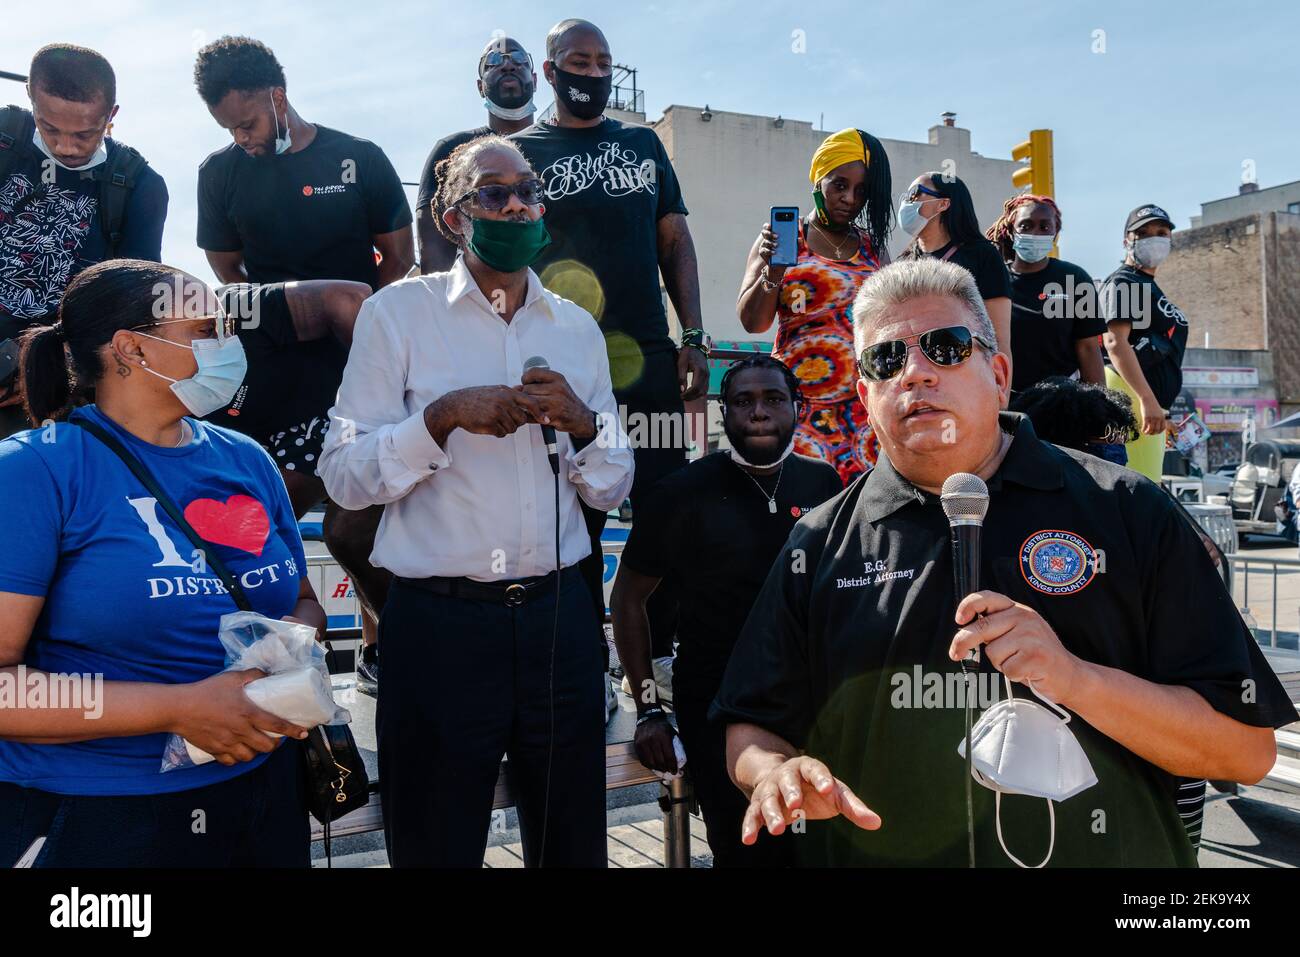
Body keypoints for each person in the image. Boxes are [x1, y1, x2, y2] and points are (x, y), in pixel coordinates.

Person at [713, 257, 1295, 867]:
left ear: (998, 373)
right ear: (864, 395)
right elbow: (747, 726)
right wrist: (775, 773)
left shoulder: (1125, 509)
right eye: (887, 360)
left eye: (944, 347)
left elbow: (1245, 750)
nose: (914, 373)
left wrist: (1076, 679)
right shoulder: (819, 540)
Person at [318, 135, 634, 867]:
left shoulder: (576, 328)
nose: (518, 204)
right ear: (453, 215)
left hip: (561, 623)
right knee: (435, 846)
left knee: (573, 847)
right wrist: (440, 419)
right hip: (440, 628)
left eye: (527, 191)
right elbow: (342, 474)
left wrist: (583, 424)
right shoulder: (397, 315)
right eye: (495, 193)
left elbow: (615, 480)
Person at [0, 260, 325, 867]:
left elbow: (300, 597)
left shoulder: (247, 459)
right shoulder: (32, 471)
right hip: (100, 816)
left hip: (264, 797)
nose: (228, 343)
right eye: (206, 327)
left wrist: (283, 657)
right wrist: (180, 707)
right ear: (129, 347)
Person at [194, 35, 415, 687]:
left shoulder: (359, 159)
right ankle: (264, 671)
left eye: (249, 122)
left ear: (278, 96)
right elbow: (229, 273)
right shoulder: (219, 173)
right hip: (275, 366)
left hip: (358, 360)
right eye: (228, 128)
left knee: (363, 524)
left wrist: (361, 322)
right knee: (257, 519)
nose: (243, 138)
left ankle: (389, 650)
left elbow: (397, 260)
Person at [510, 19, 708, 656]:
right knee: (574, 510)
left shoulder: (643, 145)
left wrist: (694, 335)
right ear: (551, 71)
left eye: (603, 63)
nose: (592, 74)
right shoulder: (521, 153)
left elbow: (674, 239)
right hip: (562, 363)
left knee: (667, 505)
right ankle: (579, 654)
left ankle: (658, 650)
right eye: (578, 61)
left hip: (647, 356)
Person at [612, 355, 841, 867]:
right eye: (743, 401)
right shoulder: (681, 493)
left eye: (773, 399)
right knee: (747, 849)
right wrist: (650, 709)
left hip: (811, 702)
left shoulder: (823, 483)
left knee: (819, 847)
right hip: (717, 706)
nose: (758, 412)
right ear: (723, 413)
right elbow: (629, 599)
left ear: (797, 409)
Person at [0, 44, 168, 437]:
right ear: (30, 97)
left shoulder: (139, 186)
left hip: (52, 392)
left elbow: (134, 307)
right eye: (50, 128)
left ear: (111, 116)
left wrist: (57, 363)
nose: (65, 147)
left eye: (84, 133)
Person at [737, 128, 893, 482]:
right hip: (798, 408)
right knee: (801, 508)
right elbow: (753, 322)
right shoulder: (783, 239)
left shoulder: (872, 248)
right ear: (819, 177)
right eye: (839, 185)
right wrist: (774, 269)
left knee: (858, 517)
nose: (849, 199)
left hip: (862, 411)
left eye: (860, 191)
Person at [417, 36, 539, 274]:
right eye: (493, 61)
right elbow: (434, 254)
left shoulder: (559, 147)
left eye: (519, 59)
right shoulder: (452, 150)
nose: (508, 64)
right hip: (475, 302)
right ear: (480, 86)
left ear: (535, 80)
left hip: (553, 302)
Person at [1099, 204, 1187, 482]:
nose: (1154, 238)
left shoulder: (1146, 284)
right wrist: (1147, 401)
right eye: (1144, 232)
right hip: (1129, 395)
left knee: (1146, 488)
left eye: (1162, 232)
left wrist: (1160, 410)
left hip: (1143, 400)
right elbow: (1114, 341)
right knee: (1138, 490)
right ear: (1127, 240)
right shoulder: (1124, 282)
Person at [985, 194, 1104, 394]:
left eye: (1044, 227)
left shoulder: (1075, 278)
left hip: (1062, 402)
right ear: (1012, 231)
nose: (1035, 233)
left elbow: (1088, 348)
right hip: (1005, 402)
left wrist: (1100, 407)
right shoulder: (992, 280)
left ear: (1055, 233)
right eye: (1026, 225)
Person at [898, 173, 1011, 370]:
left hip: (966, 372)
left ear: (943, 204)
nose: (908, 201)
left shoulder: (983, 256)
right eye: (907, 195)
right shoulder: (903, 264)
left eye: (916, 193)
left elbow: (999, 339)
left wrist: (1001, 397)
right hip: (917, 371)